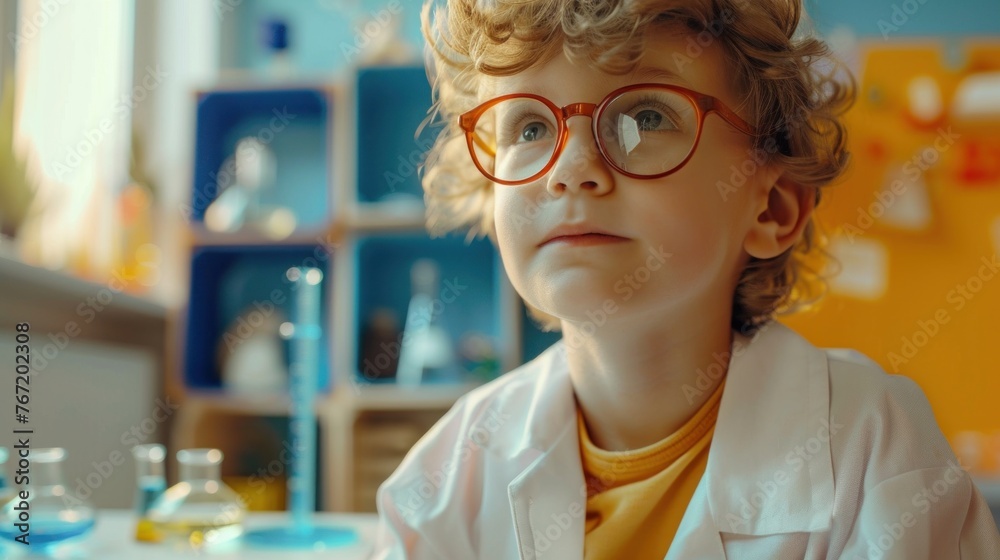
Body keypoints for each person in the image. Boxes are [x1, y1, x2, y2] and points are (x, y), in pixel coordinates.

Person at [371, 0, 1000, 558]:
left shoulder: (876, 447)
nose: (569, 169)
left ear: (772, 207)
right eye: (531, 127)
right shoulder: (448, 473)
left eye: (644, 118)